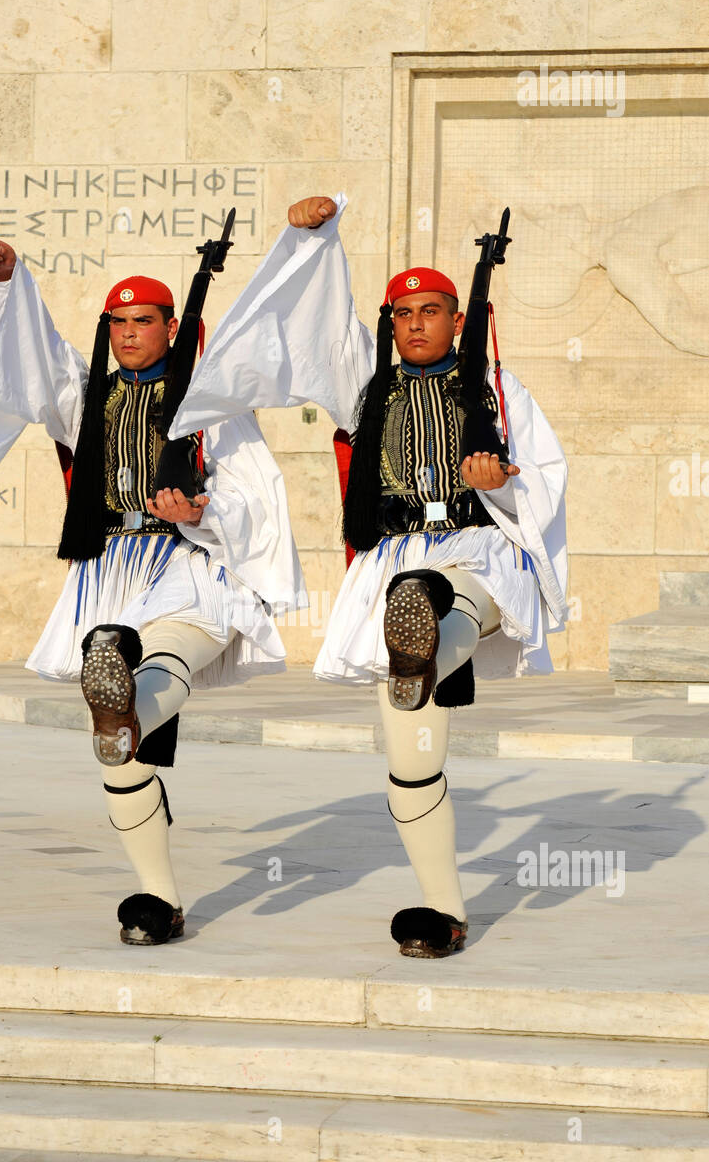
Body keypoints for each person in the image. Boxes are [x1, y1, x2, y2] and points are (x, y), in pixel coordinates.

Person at [168, 193, 568, 959]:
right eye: (401, 313)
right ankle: (440, 911)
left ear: (459, 319)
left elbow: (542, 483)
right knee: (410, 761)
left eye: (430, 310)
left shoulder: (501, 391)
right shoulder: (363, 384)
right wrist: (312, 236)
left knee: (444, 598)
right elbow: (317, 310)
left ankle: (428, 638)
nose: (414, 323)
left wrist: (497, 478)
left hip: (476, 551)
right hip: (394, 564)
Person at [0, 240, 305, 946]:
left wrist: (203, 513)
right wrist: (5, 282)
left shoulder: (211, 405)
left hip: (193, 565)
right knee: (117, 748)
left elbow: (254, 494)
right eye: (117, 323)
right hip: (114, 567)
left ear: (171, 328)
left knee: (157, 657)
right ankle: (157, 898)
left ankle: (125, 704)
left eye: (142, 321)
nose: (128, 334)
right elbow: (30, 355)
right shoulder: (88, 399)